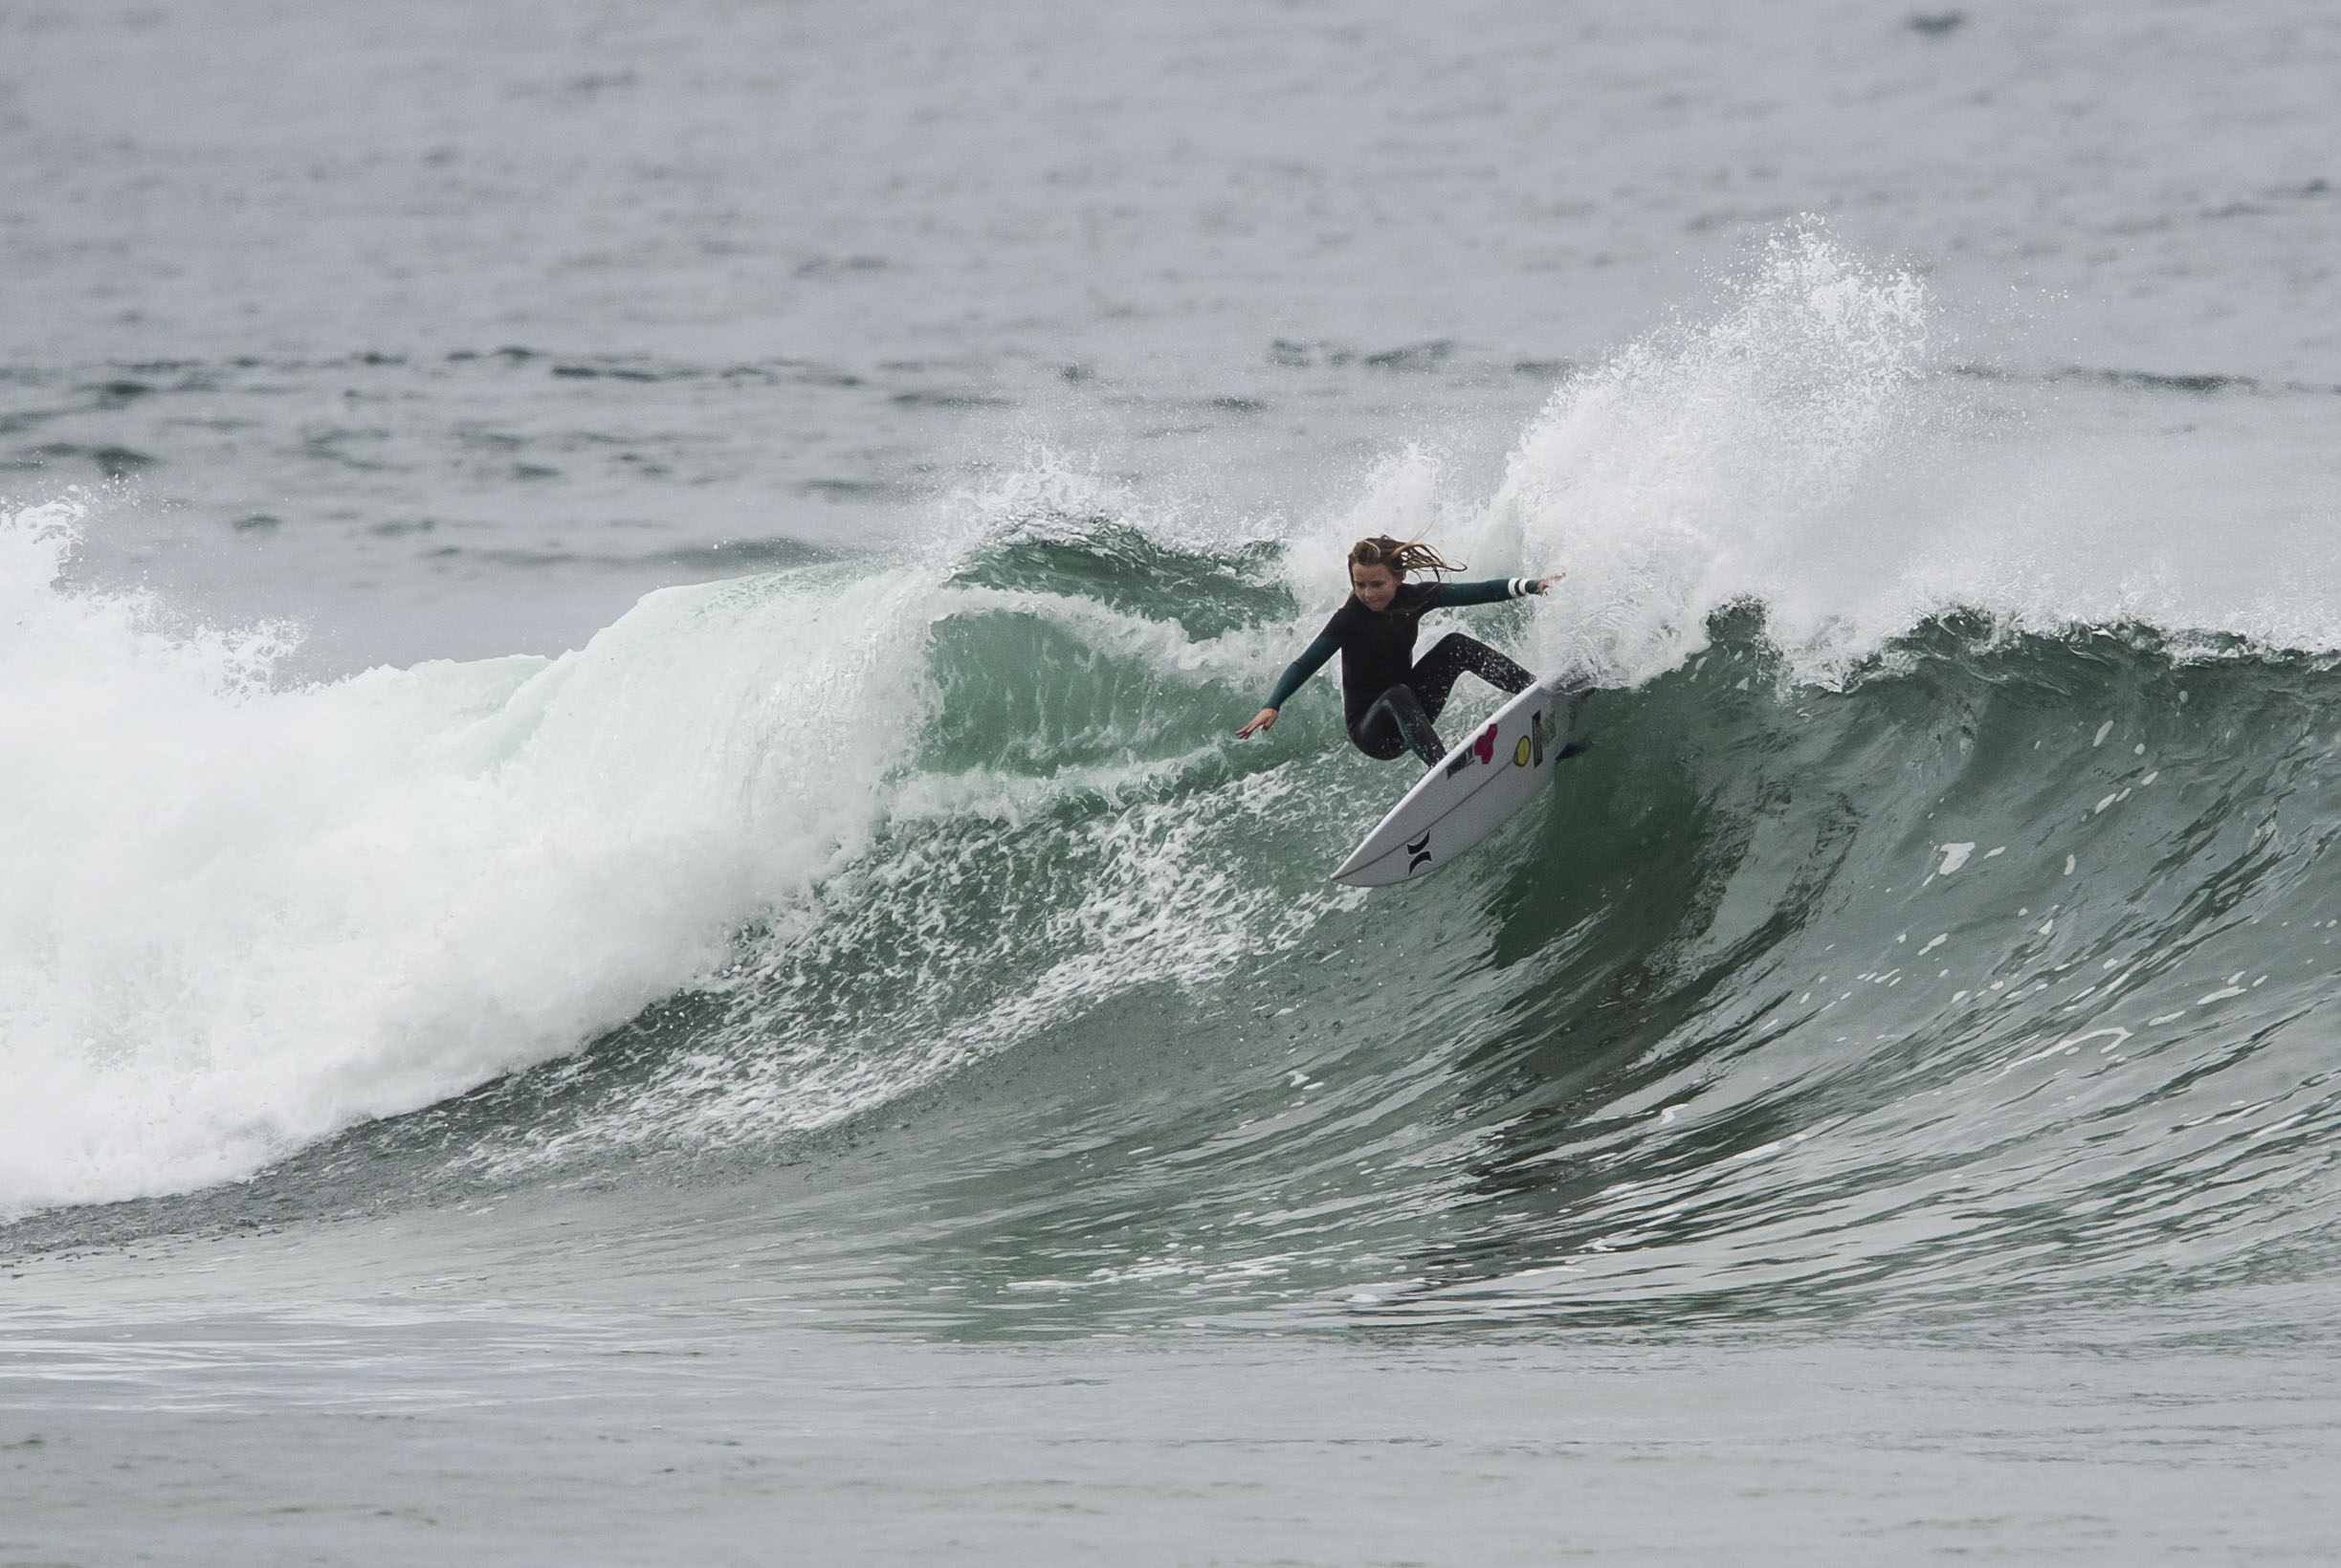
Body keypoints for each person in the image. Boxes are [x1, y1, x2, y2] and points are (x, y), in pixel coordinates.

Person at [1236, 536, 1563, 767]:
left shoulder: (1415, 597)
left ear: (1399, 578)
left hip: (1412, 709)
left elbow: (1480, 590)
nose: (1368, 593)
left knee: (1455, 646)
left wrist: (1533, 585)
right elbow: (1304, 663)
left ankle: (1538, 693)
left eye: (1376, 584)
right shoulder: (1348, 619)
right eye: (1359, 585)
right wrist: (1272, 703)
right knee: (1396, 693)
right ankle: (1444, 769)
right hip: (1373, 732)